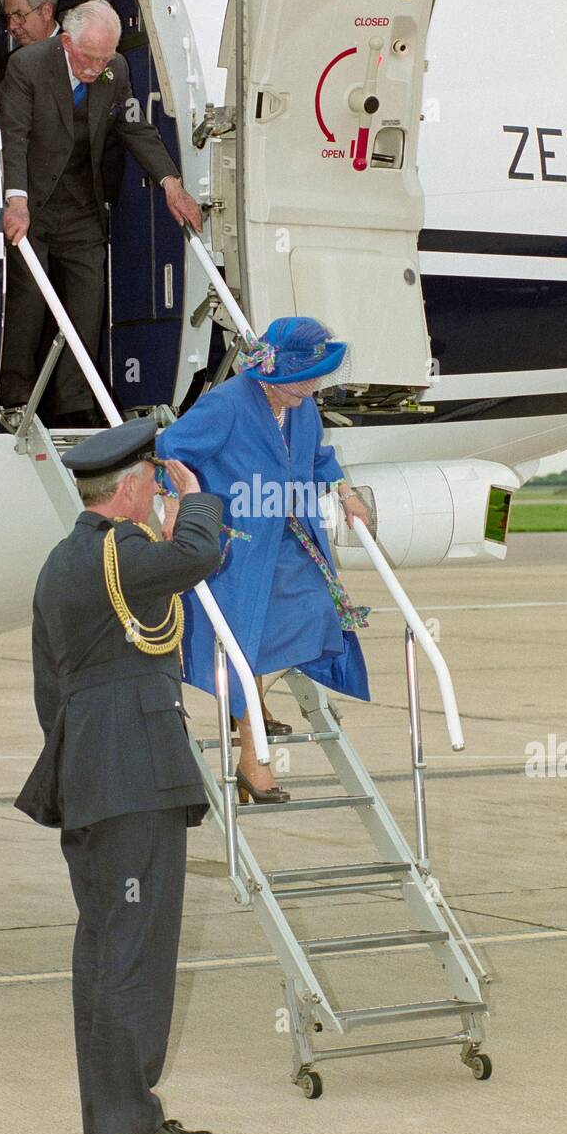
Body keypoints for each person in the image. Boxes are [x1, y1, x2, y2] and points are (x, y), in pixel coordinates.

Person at [14, 418, 223, 1134]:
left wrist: (85, 759)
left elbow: (51, 689)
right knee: (135, 949)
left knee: (108, 948)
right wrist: (193, 499)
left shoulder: (63, 562)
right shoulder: (122, 552)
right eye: (152, 481)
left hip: (95, 775)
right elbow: (201, 554)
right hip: (136, 778)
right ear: (133, 487)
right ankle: (126, 1120)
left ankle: (116, 1122)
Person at [156, 317, 371, 802]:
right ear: (273, 372)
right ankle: (253, 760)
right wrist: (174, 502)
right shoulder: (227, 404)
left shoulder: (303, 406)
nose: (310, 388)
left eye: (315, 377)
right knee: (245, 637)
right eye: (302, 378)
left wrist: (346, 492)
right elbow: (172, 448)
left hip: (292, 538)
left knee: (316, 614)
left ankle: (250, 702)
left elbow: (318, 457)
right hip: (241, 547)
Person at [0, 0, 202, 425]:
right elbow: (13, 136)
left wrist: (171, 183)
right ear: (67, 41)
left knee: (88, 307)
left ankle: (73, 404)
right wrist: (16, 200)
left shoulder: (116, 68)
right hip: (31, 204)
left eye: (105, 58)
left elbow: (134, 126)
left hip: (81, 206)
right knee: (28, 302)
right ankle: (16, 397)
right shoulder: (27, 65)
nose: (97, 68)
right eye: (90, 59)